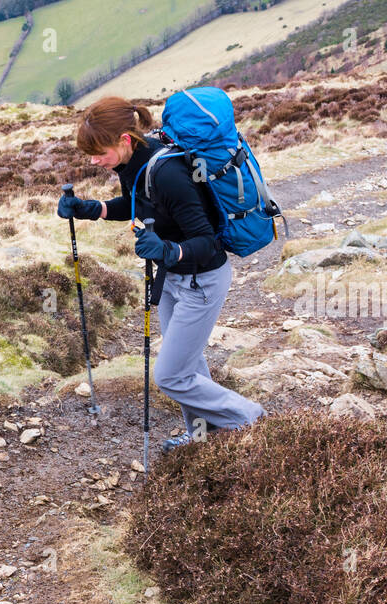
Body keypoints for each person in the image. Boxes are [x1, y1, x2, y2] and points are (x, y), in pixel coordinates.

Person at [57, 96, 265, 451]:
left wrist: (169, 250)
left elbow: (206, 241)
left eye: (99, 152)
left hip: (202, 280)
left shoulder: (167, 173)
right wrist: (92, 209)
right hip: (171, 280)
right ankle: (204, 437)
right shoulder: (133, 163)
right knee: (188, 362)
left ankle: (252, 419)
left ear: (124, 139)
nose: (94, 161)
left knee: (171, 376)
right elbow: (138, 204)